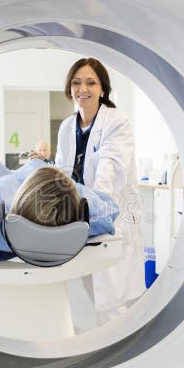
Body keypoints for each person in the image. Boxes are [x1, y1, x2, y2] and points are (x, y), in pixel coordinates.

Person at [51, 57, 145, 324]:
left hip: (109, 217)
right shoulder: (67, 127)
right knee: (82, 294)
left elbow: (111, 170)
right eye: (77, 82)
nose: (83, 89)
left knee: (111, 300)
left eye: (91, 83)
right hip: (77, 220)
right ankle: (85, 348)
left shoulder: (116, 122)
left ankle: (119, 354)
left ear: (103, 89)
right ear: (69, 88)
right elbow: (62, 170)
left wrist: (90, 206)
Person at [0, 158, 118, 254]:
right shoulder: (86, 220)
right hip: (38, 179)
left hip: (7, 185)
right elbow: (110, 208)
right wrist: (77, 193)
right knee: (37, 166)